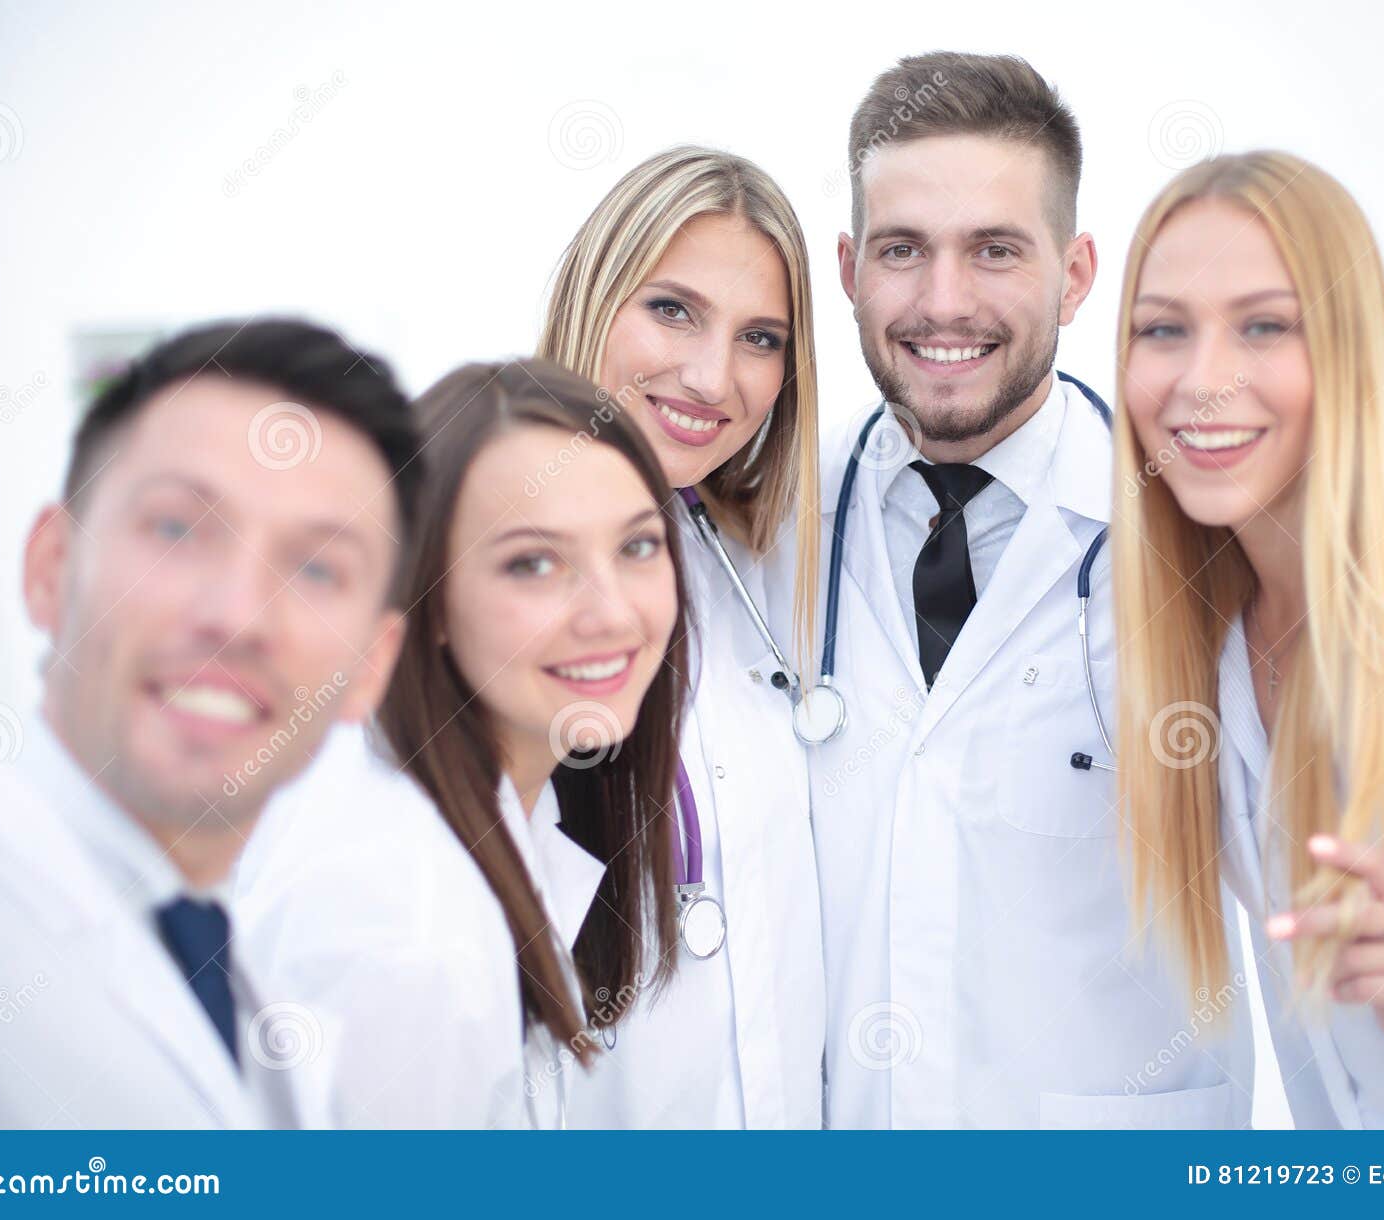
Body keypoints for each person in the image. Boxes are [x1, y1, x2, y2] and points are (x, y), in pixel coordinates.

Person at [788, 52, 1249, 1128]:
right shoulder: (767, 533)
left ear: (1076, 273)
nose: (942, 301)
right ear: (850, 268)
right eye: (902, 250)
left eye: (994, 250)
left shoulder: (1200, 537)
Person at [1113, 149, 1384, 1129]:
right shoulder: (1205, 635)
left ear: (1346, 351)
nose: (1202, 382)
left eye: (1264, 326)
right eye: (1162, 330)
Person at [0, 319, 421, 1128]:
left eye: (315, 568)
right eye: (175, 529)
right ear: (51, 569)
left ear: (369, 666)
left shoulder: (244, 985)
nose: (237, 616)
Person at [234, 359, 688, 1127]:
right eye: (534, 563)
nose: (611, 613)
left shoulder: (491, 811)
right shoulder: (402, 932)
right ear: (425, 598)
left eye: (638, 546)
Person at [535, 145, 827, 1128]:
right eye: (672, 309)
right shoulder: (463, 570)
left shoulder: (744, 568)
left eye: (761, 337)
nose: (713, 376)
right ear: (594, 293)